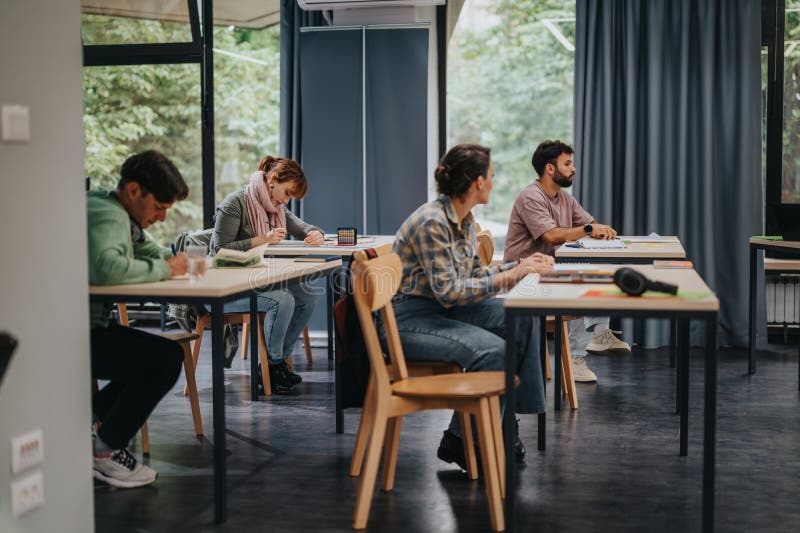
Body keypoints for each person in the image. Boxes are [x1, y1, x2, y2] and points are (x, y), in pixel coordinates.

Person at [387, 143, 553, 471]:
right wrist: (514, 276)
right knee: (494, 351)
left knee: (523, 318)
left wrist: (519, 264)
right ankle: (481, 437)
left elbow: (474, 275)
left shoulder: (463, 219)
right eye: (490, 176)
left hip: (439, 309)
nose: (493, 182)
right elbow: (450, 292)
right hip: (410, 316)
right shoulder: (432, 222)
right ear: (477, 182)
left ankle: (472, 434)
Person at [88, 150, 190, 488]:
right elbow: (107, 269)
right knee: (165, 359)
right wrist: (165, 269)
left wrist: (174, 260)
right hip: (73, 335)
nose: (161, 217)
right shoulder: (109, 215)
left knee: (156, 358)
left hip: (84, 327)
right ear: (133, 191)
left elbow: (149, 251)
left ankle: (83, 426)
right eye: (159, 207)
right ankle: (102, 453)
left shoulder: (116, 212)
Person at [503, 140, 631, 383]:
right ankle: (574, 357)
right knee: (579, 282)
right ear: (550, 169)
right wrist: (590, 228)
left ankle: (598, 335)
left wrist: (600, 230)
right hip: (523, 277)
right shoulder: (531, 197)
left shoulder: (564, 198)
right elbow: (551, 235)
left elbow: (587, 226)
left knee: (594, 271)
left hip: (547, 269)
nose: (573, 169)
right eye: (568, 164)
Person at [210, 156, 324, 394]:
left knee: (307, 296)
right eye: (287, 192)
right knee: (283, 298)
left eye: (290, 196)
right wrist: (263, 239)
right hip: (228, 287)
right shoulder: (236, 203)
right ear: (273, 180)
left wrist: (315, 234)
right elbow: (218, 252)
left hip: (257, 279)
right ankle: (272, 367)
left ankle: (279, 361)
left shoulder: (275, 208)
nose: (286, 200)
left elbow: (303, 227)